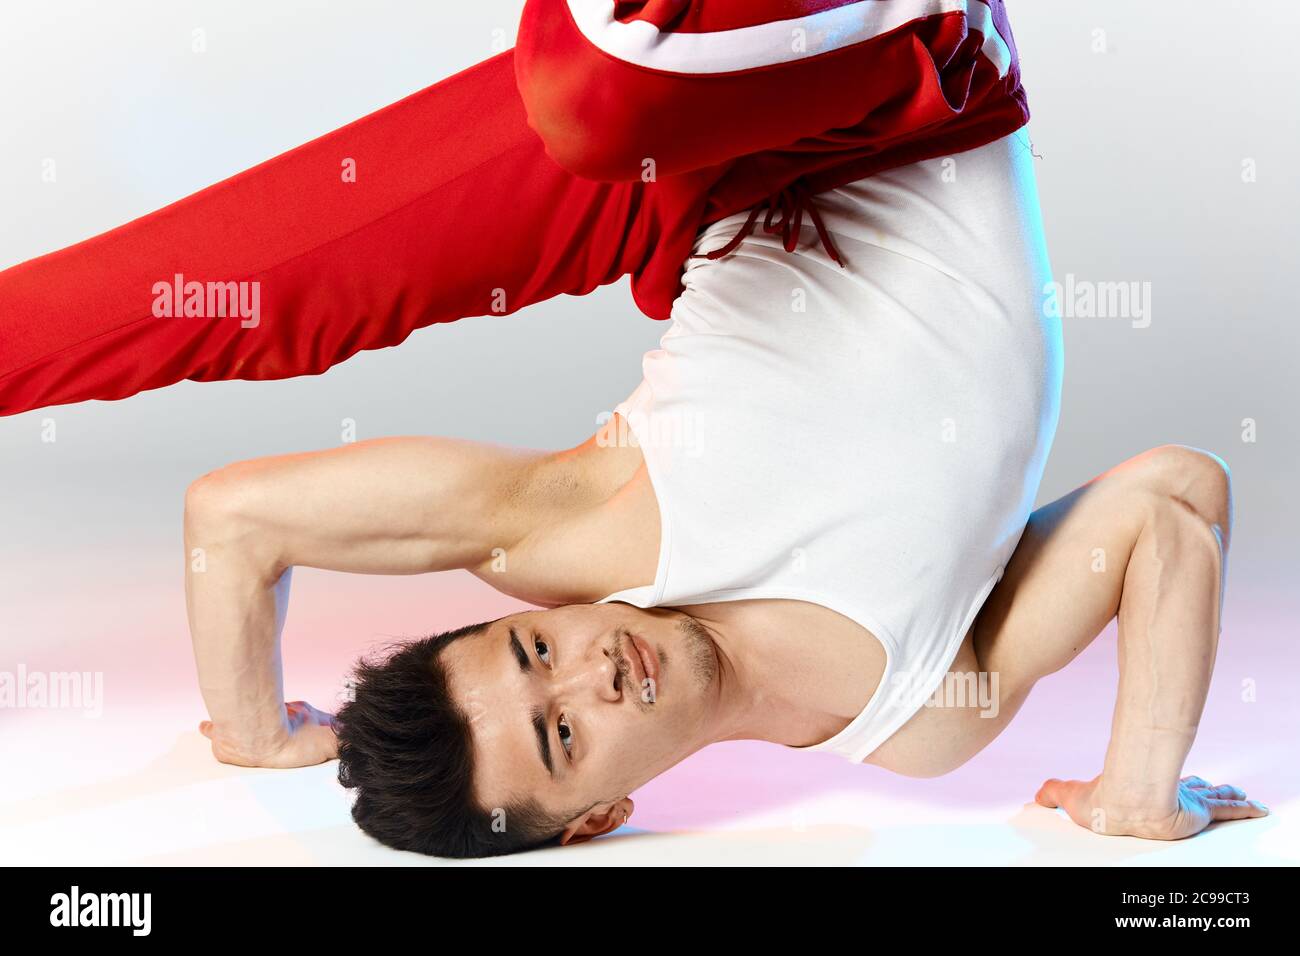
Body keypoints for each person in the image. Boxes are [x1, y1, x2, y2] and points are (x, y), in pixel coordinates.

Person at [186, 125, 1265, 858]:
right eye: (561, 735)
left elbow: (231, 517)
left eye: (535, 651)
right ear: (598, 818)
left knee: (577, 108)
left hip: (785, 95)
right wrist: (1137, 789)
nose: (591, 672)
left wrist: (255, 730)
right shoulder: (921, 720)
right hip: (940, 73)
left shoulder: (581, 525)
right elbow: (1173, 505)